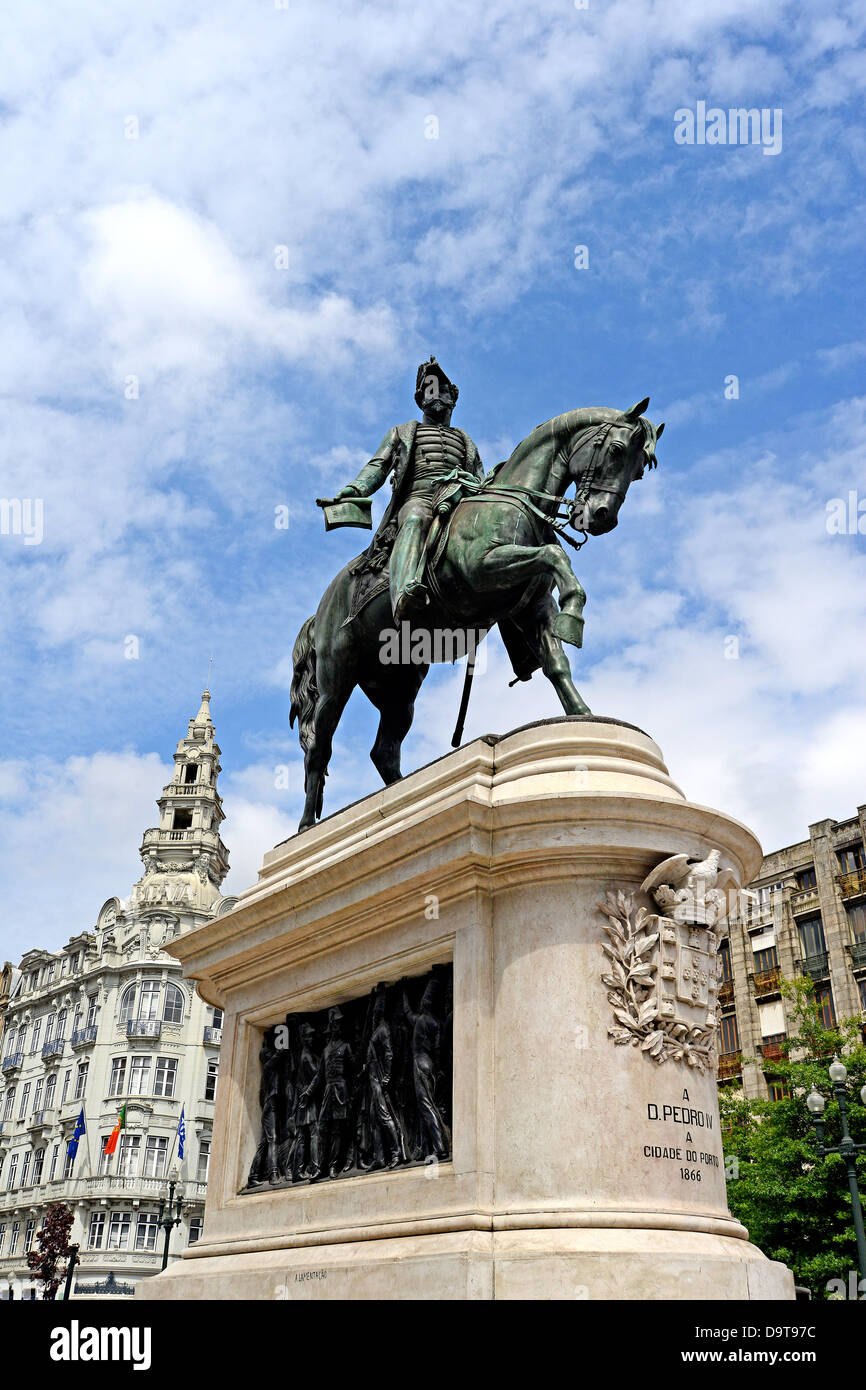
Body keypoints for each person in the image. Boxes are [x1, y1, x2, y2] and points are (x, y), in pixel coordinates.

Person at [334, 357, 484, 621]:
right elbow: (378, 466)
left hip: (460, 502)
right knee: (415, 518)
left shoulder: (465, 440)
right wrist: (357, 489)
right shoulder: (403, 432)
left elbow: (480, 480)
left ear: (453, 399)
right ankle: (404, 593)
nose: (435, 394)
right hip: (419, 500)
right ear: (420, 399)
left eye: (441, 389)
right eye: (429, 390)